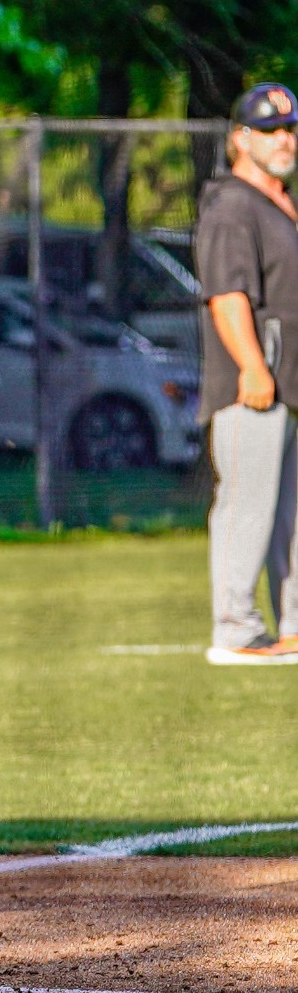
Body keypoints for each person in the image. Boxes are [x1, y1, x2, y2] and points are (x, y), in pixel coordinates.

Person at [195, 82, 298, 665]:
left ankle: (291, 627)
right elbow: (227, 296)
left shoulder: (277, 202)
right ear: (240, 139)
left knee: (292, 515)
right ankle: (235, 629)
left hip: (290, 390)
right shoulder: (232, 205)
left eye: (290, 129)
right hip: (254, 390)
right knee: (247, 505)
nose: (284, 139)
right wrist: (254, 368)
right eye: (269, 130)